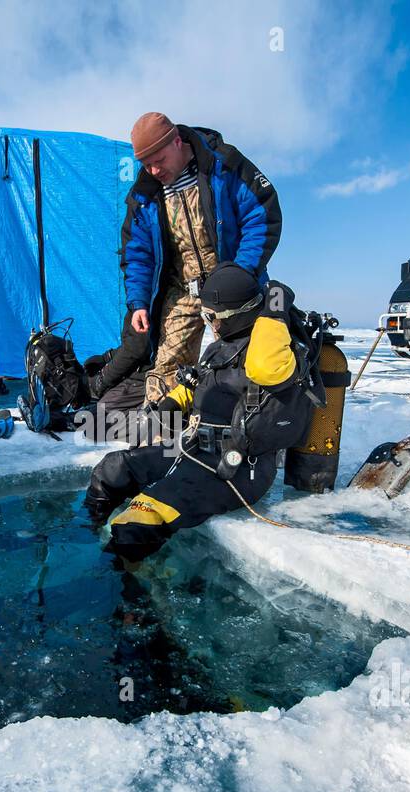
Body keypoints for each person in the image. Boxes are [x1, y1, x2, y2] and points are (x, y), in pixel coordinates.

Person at [84, 263, 303, 562]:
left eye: (211, 316)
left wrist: (274, 307)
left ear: (235, 314)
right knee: (111, 470)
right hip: (195, 448)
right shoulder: (221, 348)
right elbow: (202, 380)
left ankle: (131, 601)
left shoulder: (271, 350)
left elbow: (265, 369)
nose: (208, 323)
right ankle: (86, 537)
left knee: (140, 520)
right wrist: (173, 402)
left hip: (238, 468)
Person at [85, 112, 282, 421]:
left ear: (177, 141)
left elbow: (261, 215)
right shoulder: (145, 195)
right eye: (146, 164)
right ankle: (164, 445)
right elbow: (138, 253)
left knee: (250, 365)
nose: (153, 170)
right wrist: (138, 303)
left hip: (231, 291)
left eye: (159, 160)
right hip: (183, 290)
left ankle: (254, 440)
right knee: (165, 371)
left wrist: (242, 275)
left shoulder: (224, 164)